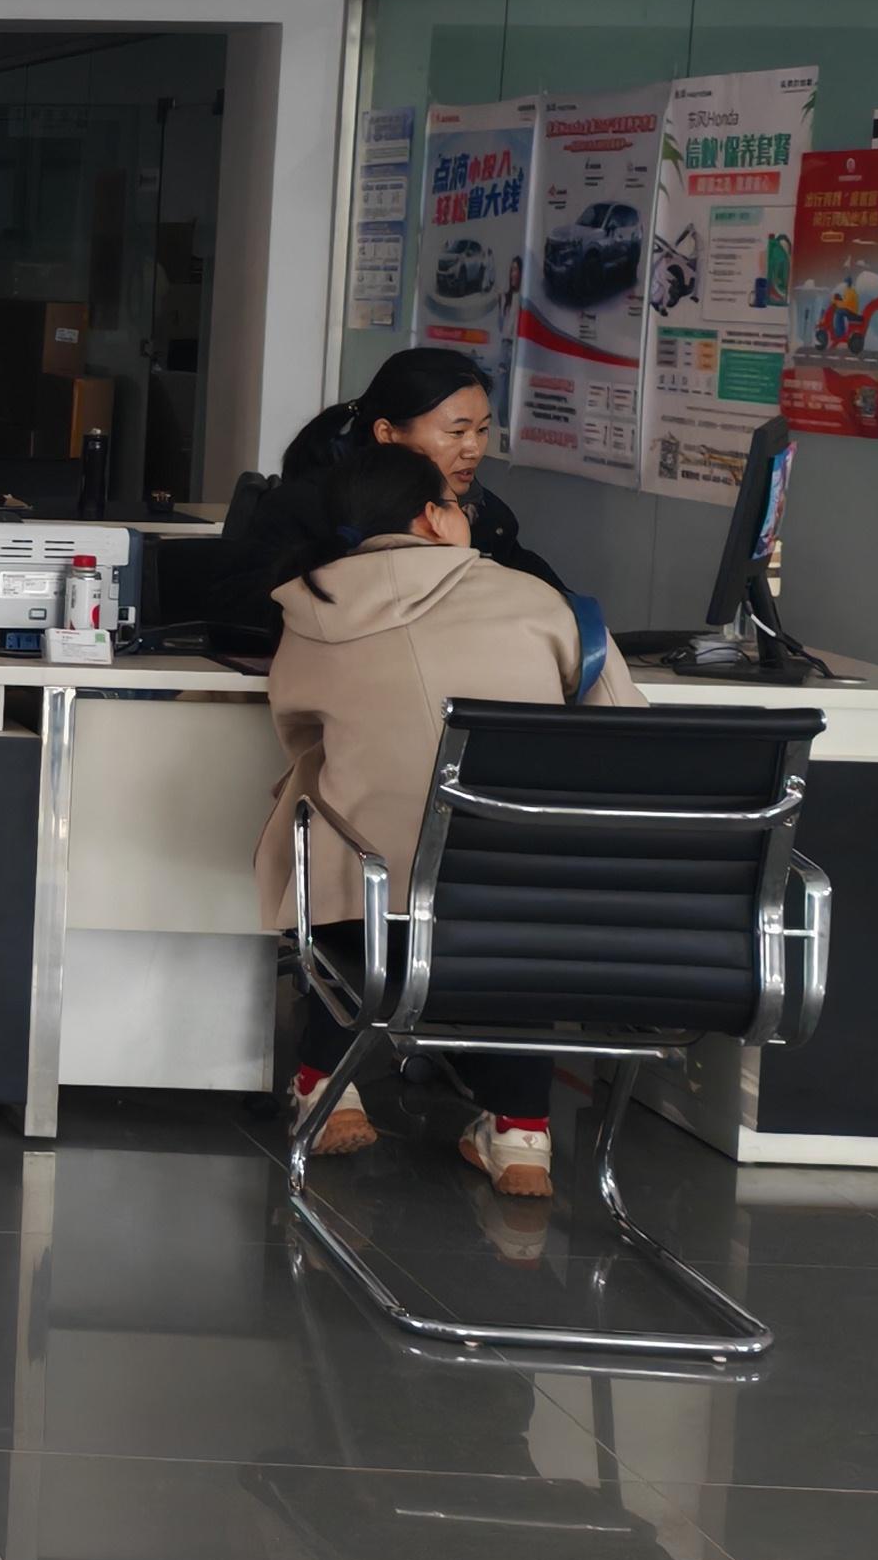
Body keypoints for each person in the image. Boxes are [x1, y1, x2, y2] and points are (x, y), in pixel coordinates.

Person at [257, 442, 637, 1198]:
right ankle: (522, 1135)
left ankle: (325, 1084)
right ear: (433, 519)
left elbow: (295, 729)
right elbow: (622, 727)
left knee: (334, 821)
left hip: (371, 908)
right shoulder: (539, 602)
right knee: (515, 895)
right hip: (519, 905)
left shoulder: (311, 607)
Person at [210, 348, 564, 664]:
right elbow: (244, 615)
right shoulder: (305, 507)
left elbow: (555, 602)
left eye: (482, 430)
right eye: (457, 432)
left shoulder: (485, 515)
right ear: (388, 434)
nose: (473, 448)